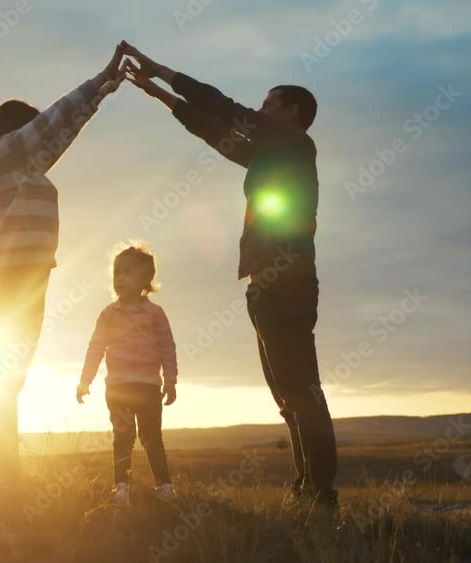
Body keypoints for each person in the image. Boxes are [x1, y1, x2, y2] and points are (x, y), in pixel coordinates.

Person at [120, 41, 338, 509]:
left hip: (289, 282)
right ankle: (306, 488)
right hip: (264, 284)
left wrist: (160, 68)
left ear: (291, 112)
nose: (259, 109)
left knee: (301, 388)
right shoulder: (268, 155)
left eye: (268, 102)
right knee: (286, 393)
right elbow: (213, 130)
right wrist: (156, 93)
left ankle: (323, 496)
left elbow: (221, 106)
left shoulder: (296, 143)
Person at [0, 46, 126, 489]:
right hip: (18, 278)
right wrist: (99, 77)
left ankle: (10, 475)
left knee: (12, 379)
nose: (38, 135)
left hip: (28, 279)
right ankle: (10, 478)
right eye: (31, 127)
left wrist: (105, 91)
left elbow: (64, 130)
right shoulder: (0, 155)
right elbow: (54, 118)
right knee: (8, 379)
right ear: (15, 128)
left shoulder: (21, 164)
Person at [77, 243, 178, 503]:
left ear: (146, 279)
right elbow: (96, 347)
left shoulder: (155, 314)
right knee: (122, 437)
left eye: (128, 272)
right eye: (117, 273)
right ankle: (121, 486)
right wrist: (85, 380)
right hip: (118, 388)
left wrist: (171, 380)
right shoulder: (108, 314)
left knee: (151, 436)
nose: (120, 278)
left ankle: (164, 487)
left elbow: (168, 347)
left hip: (148, 387)